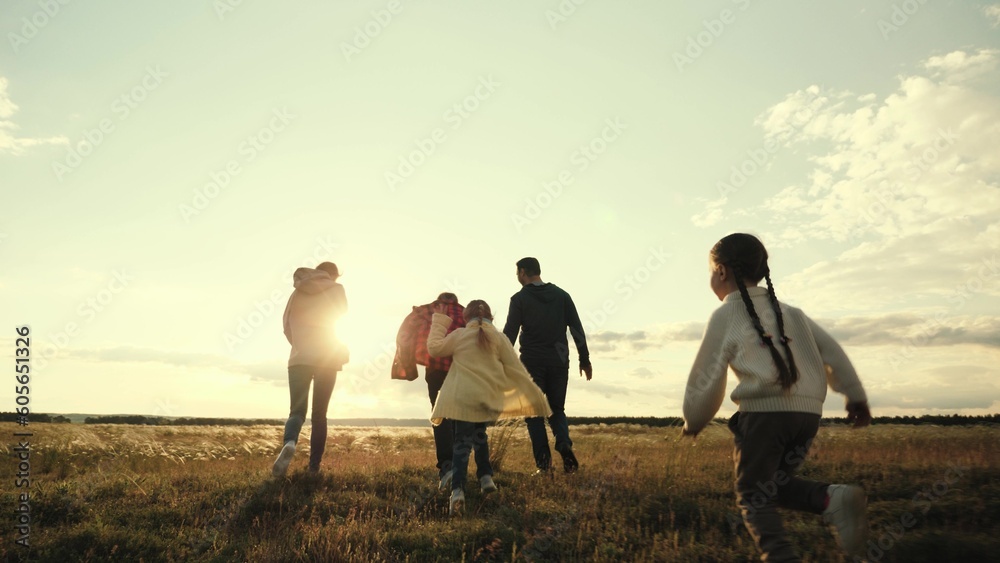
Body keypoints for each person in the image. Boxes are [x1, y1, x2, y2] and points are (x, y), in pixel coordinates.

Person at [682, 233, 872, 561]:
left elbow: (708, 377)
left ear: (722, 271)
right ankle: (831, 498)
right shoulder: (793, 313)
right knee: (775, 485)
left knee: (754, 496)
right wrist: (854, 395)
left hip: (763, 416)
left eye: (710, 270)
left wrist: (694, 418)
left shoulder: (725, 316)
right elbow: (833, 352)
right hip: (807, 416)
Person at [427, 299, 553, 515]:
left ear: (466, 317)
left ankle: (457, 490)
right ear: (490, 317)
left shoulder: (459, 335)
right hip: (485, 397)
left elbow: (434, 349)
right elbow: (515, 367)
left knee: (461, 445)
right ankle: (486, 477)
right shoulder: (499, 338)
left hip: (462, 398)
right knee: (479, 435)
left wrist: (440, 321)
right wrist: (532, 393)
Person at [502, 257, 592, 474]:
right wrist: (584, 359)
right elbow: (577, 328)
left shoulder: (519, 299)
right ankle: (563, 443)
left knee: (534, 414)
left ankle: (545, 466)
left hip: (531, 363)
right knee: (557, 409)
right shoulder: (562, 296)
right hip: (559, 362)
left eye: (518, 273)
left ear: (523, 272)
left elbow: (509, 336)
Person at [272, 262, 348, 477]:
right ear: (333, 274)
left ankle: (289, 443)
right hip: (327, 358)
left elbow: (286, 324)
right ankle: (314, 468)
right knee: (319, 415)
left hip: (299, 359)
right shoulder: (337, 289)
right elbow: (340, 317)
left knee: (296, 411)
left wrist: (299, 346)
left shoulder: (297, 292)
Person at [391, 293, 466, 490]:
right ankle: (460, 468)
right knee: (459, 418)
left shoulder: (426, 310)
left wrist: (408, 361)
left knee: (439, 416)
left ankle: (446, 468)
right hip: (461, 370)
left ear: (439, 300)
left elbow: (404, 333)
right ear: (455, 300)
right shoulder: (465, 313)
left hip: (435, 369)